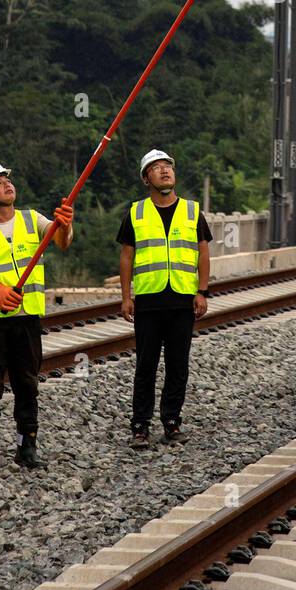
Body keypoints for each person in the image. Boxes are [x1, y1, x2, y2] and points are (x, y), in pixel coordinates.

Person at [0, 160, 74, 467]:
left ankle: (27, 447)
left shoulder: (31, 219)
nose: (7, 185)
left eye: (7, 180)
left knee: (27, 384)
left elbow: (61, 241)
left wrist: (64, 222)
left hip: (27, 319)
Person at [117, 149, 211, 448]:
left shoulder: (193, 211)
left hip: (182, 299)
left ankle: (171, 422)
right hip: (148, 299)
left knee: (178, 365)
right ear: (147, 178)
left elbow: (203, 251)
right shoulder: (135, 212)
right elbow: (126, 256)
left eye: (168, 166)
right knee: (145, 365)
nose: (164, 171)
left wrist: (202, 291)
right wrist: (125, 297)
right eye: (156, 168)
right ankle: (140, 426)